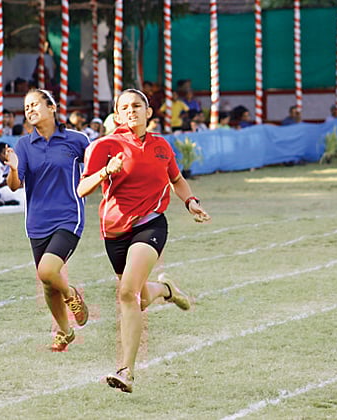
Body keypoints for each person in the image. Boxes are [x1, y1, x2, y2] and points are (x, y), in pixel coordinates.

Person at [77, 89, 210, 393]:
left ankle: (126, 371)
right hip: (114, 232)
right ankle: (166, 290)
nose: (131, 111)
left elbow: (175, 179)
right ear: (117, 114)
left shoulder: (162, 146)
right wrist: (104, 172)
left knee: (126, 294)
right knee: (139, 296)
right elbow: (82, 188)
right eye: (124, 107)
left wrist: (191, 202)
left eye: (137, 106)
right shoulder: (105, 145)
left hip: (150, 224)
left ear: (149, 112)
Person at [3, 89, 90, 352]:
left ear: (51, 107)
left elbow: (96, 168)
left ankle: (72, 295)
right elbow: (15, 186)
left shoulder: (77, 140)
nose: (29, 110)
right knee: (47, 282)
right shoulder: (24, 145)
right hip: (37, 222)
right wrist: (14, 168)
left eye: (35, 104)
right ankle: (65, 332)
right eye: (26, 106)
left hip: (68, 217)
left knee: (48, 271)